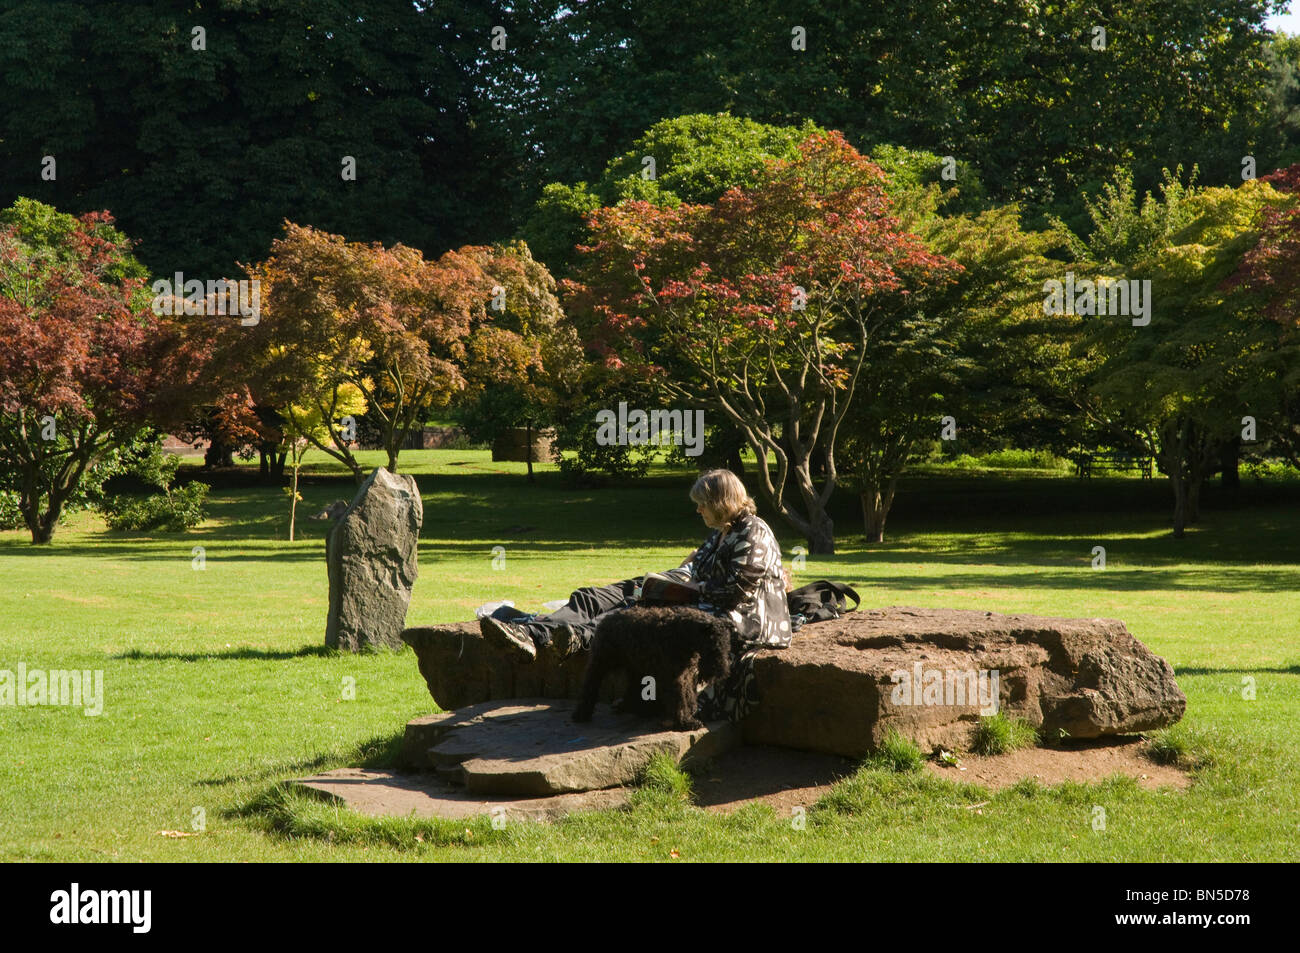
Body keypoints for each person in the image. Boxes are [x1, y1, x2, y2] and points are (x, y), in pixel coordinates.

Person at [479, 469, 792, 719]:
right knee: (618, 594)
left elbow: (734, 593)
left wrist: (690, 589)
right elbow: (700, 568)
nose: (697, 509)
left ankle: (572, 636)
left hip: (740, 620)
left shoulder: (754, 533)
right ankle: (543, 632)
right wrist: (682, 579)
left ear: (720, 502)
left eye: (702, 504)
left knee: (636, 613)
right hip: (706, 602)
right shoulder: (723, 532)